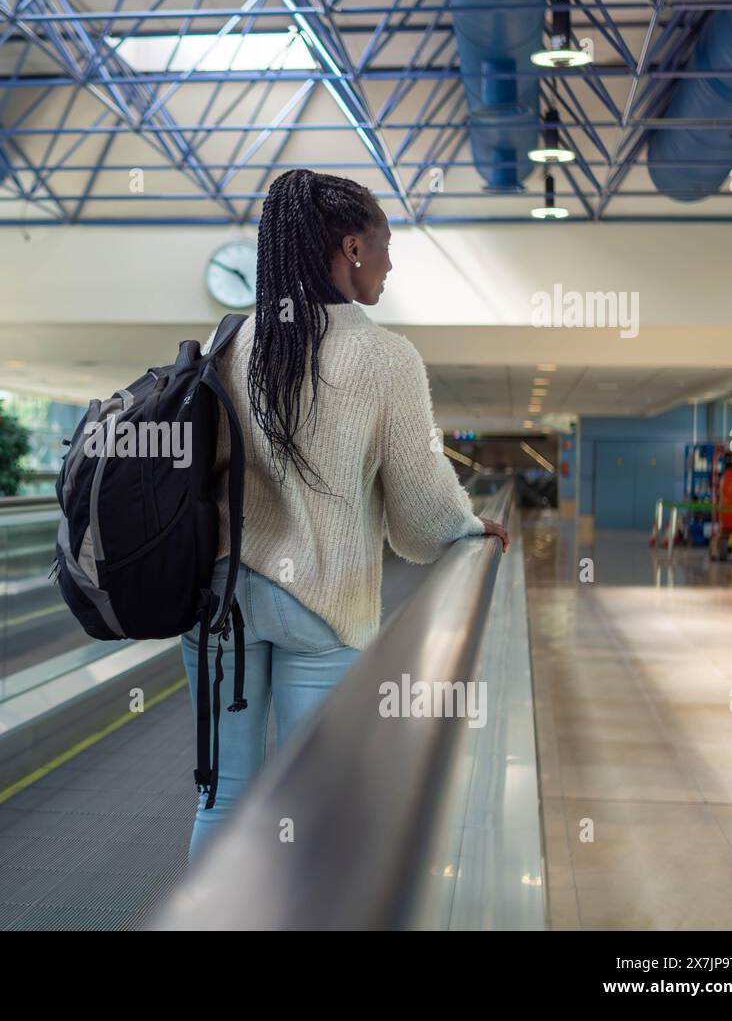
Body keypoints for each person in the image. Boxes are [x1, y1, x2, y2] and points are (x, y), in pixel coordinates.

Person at [183, 168, 508, 862]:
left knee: (222, 795)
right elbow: (421, 513)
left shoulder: (231, 343)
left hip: (217, 603)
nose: (391, 265)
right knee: (314, 803)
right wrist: (468, 524)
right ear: (353, 246)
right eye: (387, 245)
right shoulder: (385, 357)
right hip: (321, 609)